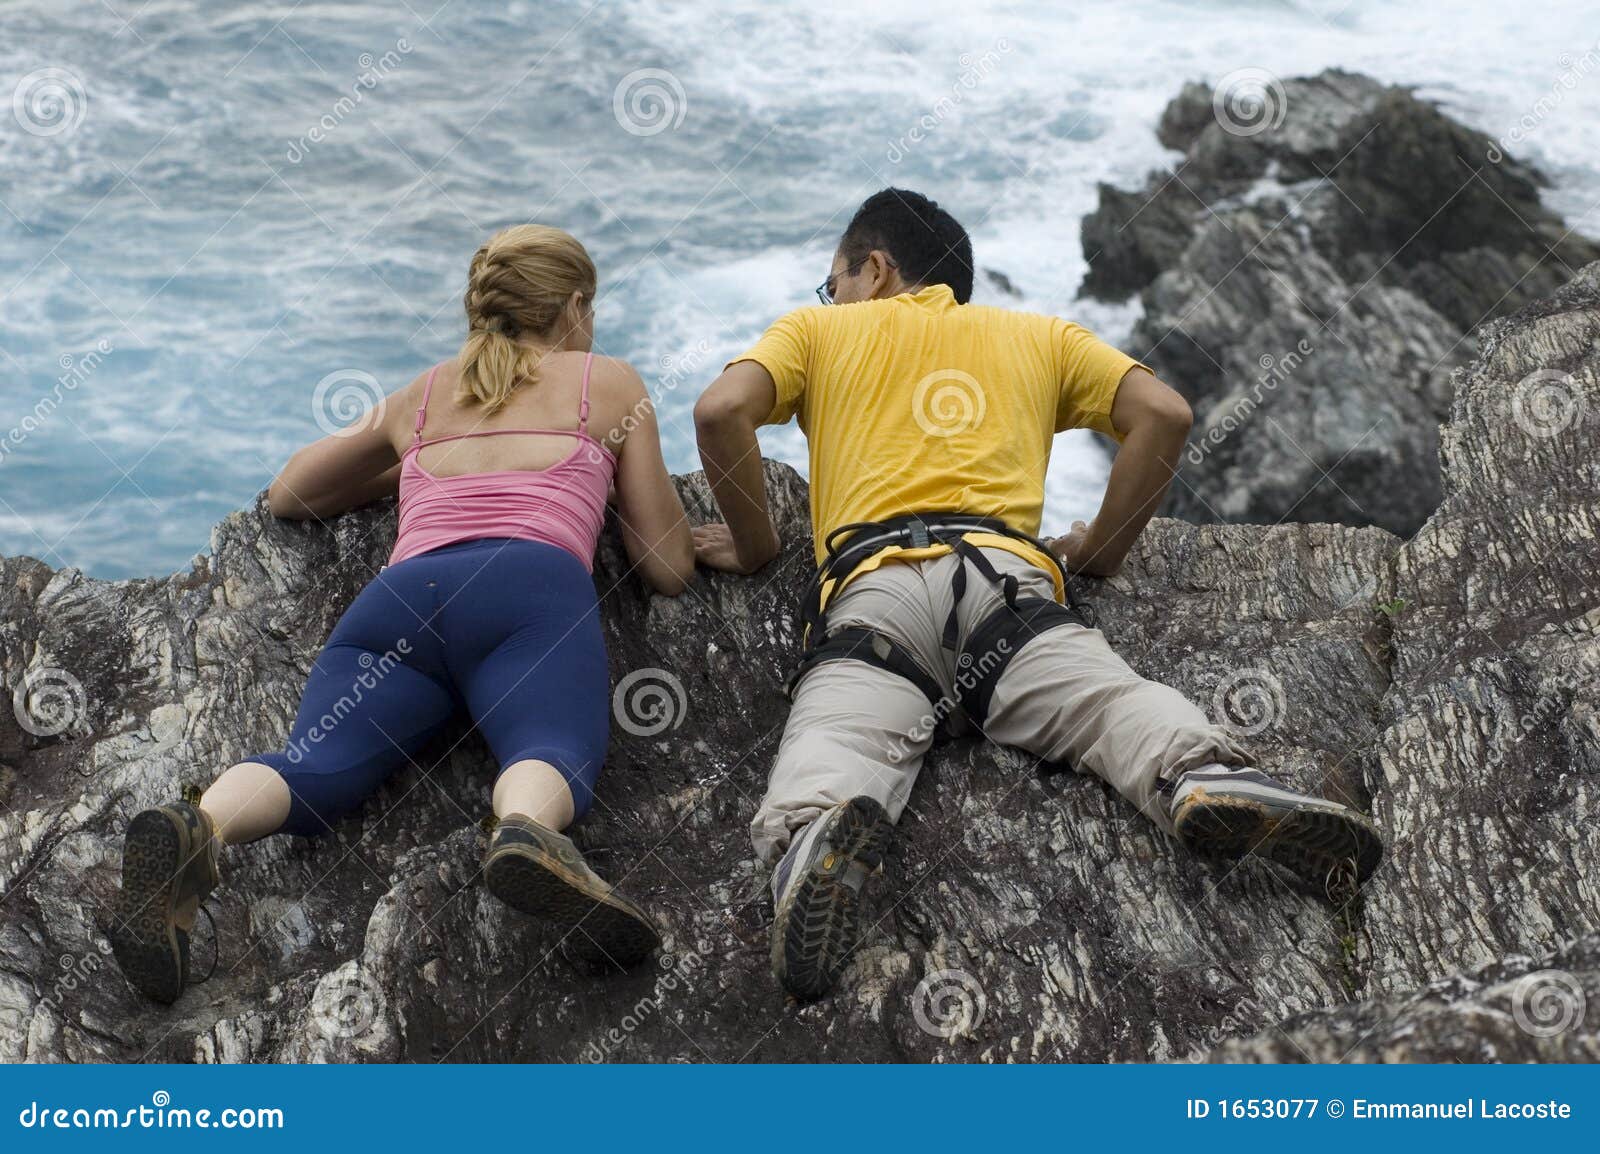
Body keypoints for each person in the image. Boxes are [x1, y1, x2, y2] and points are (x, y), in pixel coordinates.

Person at [692, 189, 1384, 1001]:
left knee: (835, 743)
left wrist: (755, 546)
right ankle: (1203, 778)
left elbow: (720, 410)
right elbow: (1164, 414)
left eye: (834, 281)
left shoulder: (817, 332)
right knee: (1108, 707)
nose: (832, 297)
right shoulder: (1039, 335)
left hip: (876, 597)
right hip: (1004, 589)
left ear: (873, 270)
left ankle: (815, 838)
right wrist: (1099, 552)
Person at [111, 224, 694, 1004]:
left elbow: (289, 494)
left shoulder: (424, 395)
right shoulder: (609, 383)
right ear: (574, 307)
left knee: (316, 767)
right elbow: (665, 565)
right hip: (528, 593)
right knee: (550, 747)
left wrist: (410, 470)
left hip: (400, 603)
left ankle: (203, 826)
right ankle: (525, 831)